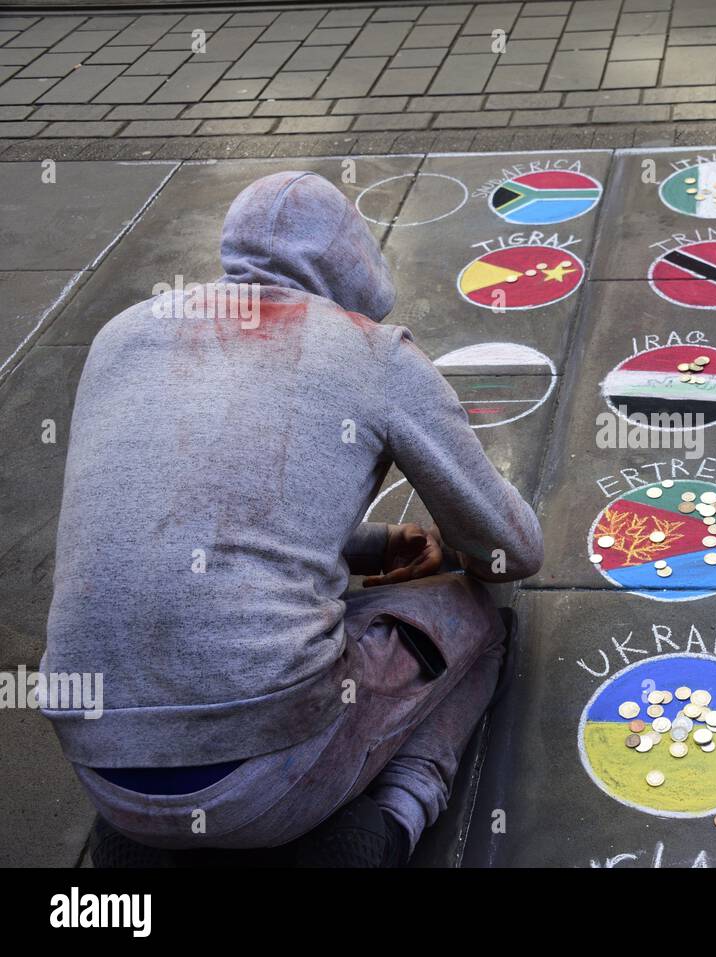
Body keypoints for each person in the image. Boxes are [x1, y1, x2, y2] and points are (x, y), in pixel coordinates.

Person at [40, 171, 543, 867]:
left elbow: (174, 520)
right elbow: (510, 550)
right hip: (264, 777)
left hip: (101, 765)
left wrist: (369, 549)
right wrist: (461, 545)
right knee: (479, 618)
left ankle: (153, 837)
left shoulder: (122, 335)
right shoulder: (370, 350)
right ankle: (384, 823)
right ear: (358, 264)